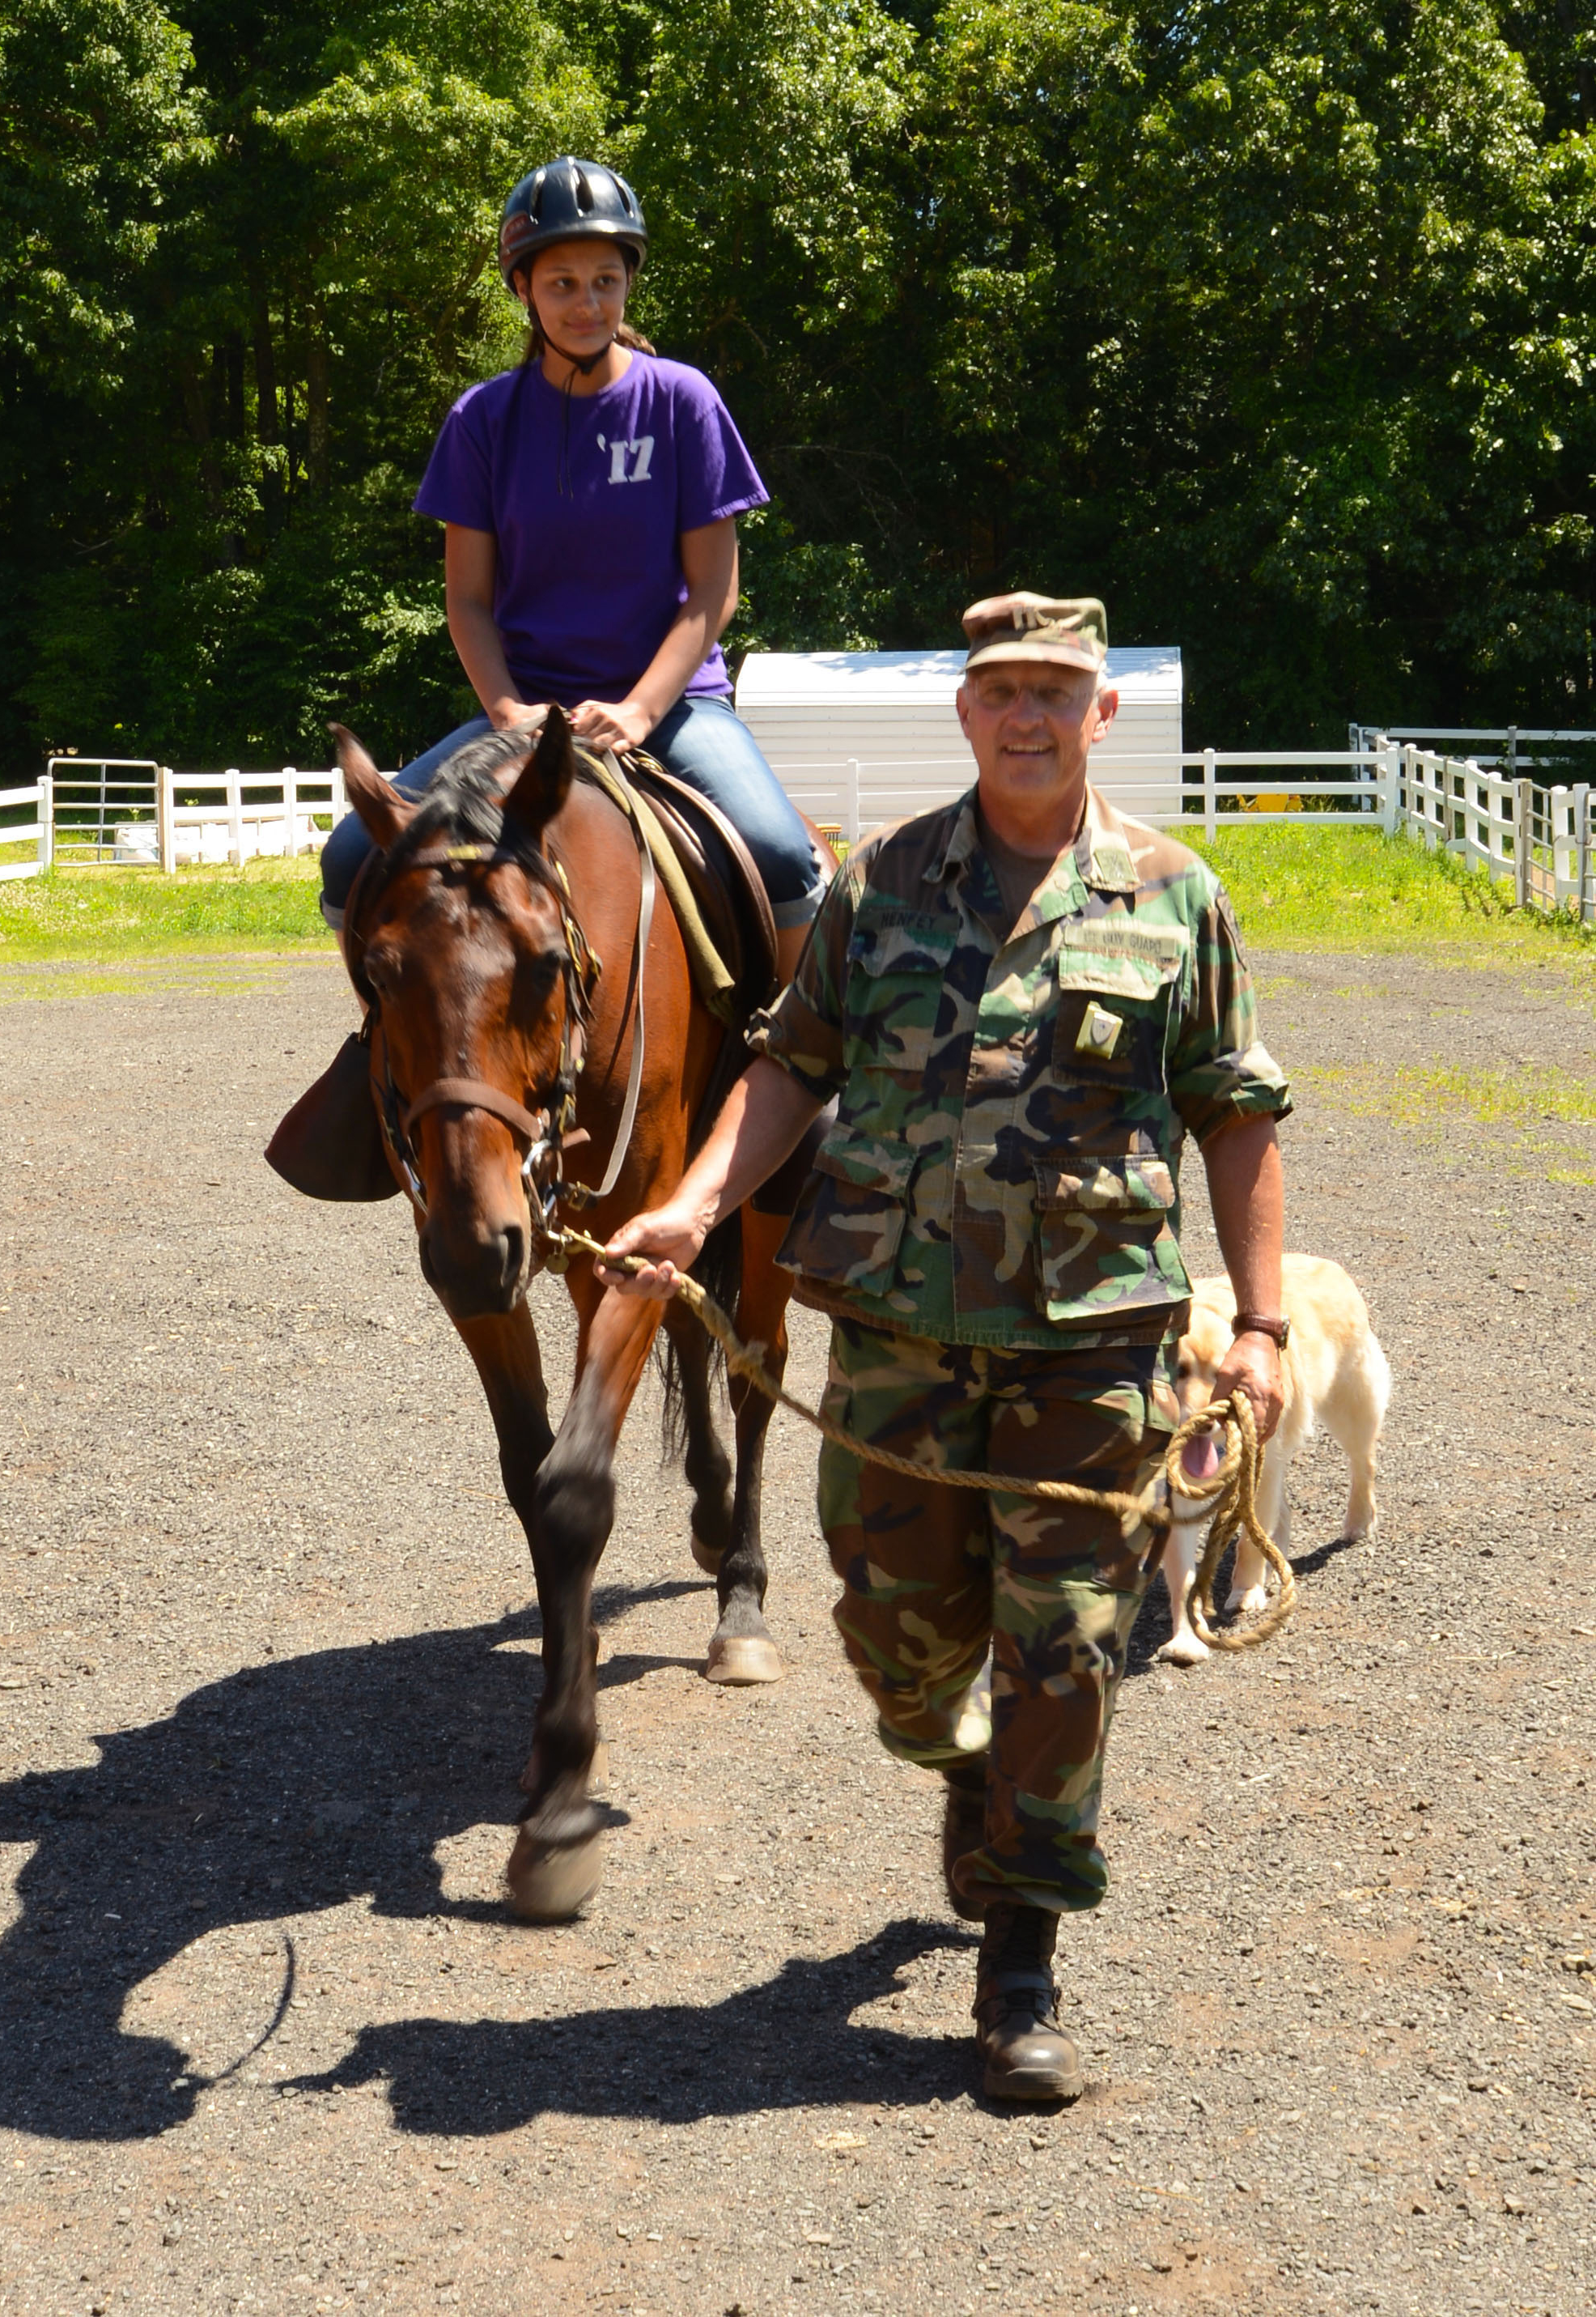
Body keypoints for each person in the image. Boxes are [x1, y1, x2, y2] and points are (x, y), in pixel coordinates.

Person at [598, 591, 1293, 2101]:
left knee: (1064, 1647)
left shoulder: (1174, 895)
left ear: (1099, 713)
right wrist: (694, 1199)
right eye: (1001, 694)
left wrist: (1256, 1323)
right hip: (899, 1335)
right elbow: (794, 1062)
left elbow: (1236, 1110)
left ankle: (1020, 1954)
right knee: (899, 1648)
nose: (1028, 717)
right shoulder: (883, 883)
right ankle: (965, 1769)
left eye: (1058, 693)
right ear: (966, 712)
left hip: (1088, 1342)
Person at [320, 155, 826, 981]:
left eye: (605, 280)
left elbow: (712, 591)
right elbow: (469, 602)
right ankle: (390, 1053)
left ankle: (801, 1071)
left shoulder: (681, 400)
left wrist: (635, 711)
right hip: (526, 712)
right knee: (349, 858)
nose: (587, 303)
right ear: (524, 290)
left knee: (781, 855)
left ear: (628, 282)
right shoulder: (481, 420)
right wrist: (511, 709)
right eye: (562, 284)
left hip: (672, 707)